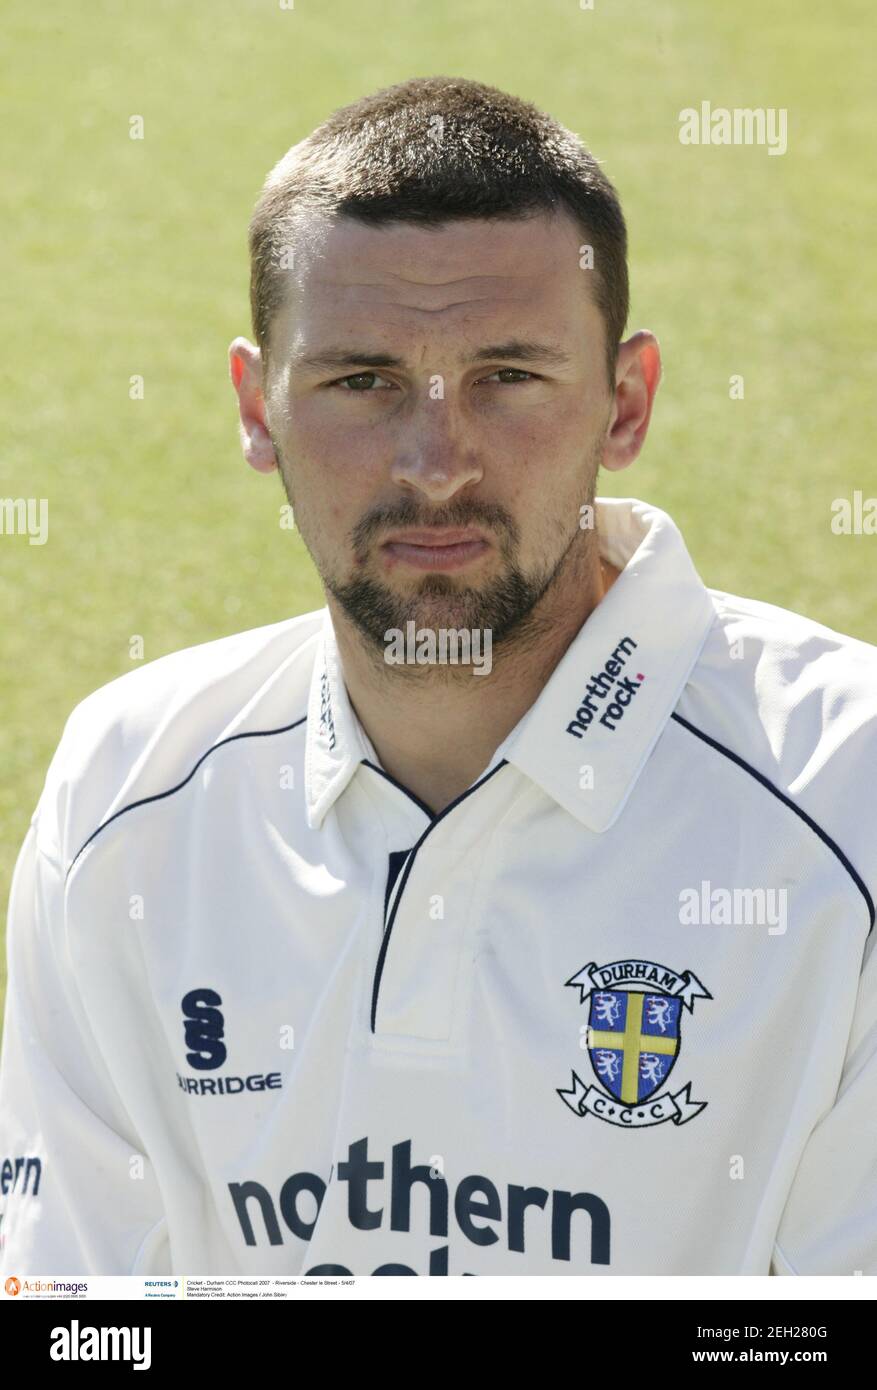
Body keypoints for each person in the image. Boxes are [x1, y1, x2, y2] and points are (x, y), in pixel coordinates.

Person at [1, 76, 874, 1278]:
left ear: (626, 402)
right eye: (360, 381)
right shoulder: (123, 794)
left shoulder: (850, 796)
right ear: (258, 410)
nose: (435, 462)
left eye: (506, 377)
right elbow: (85, 1315)